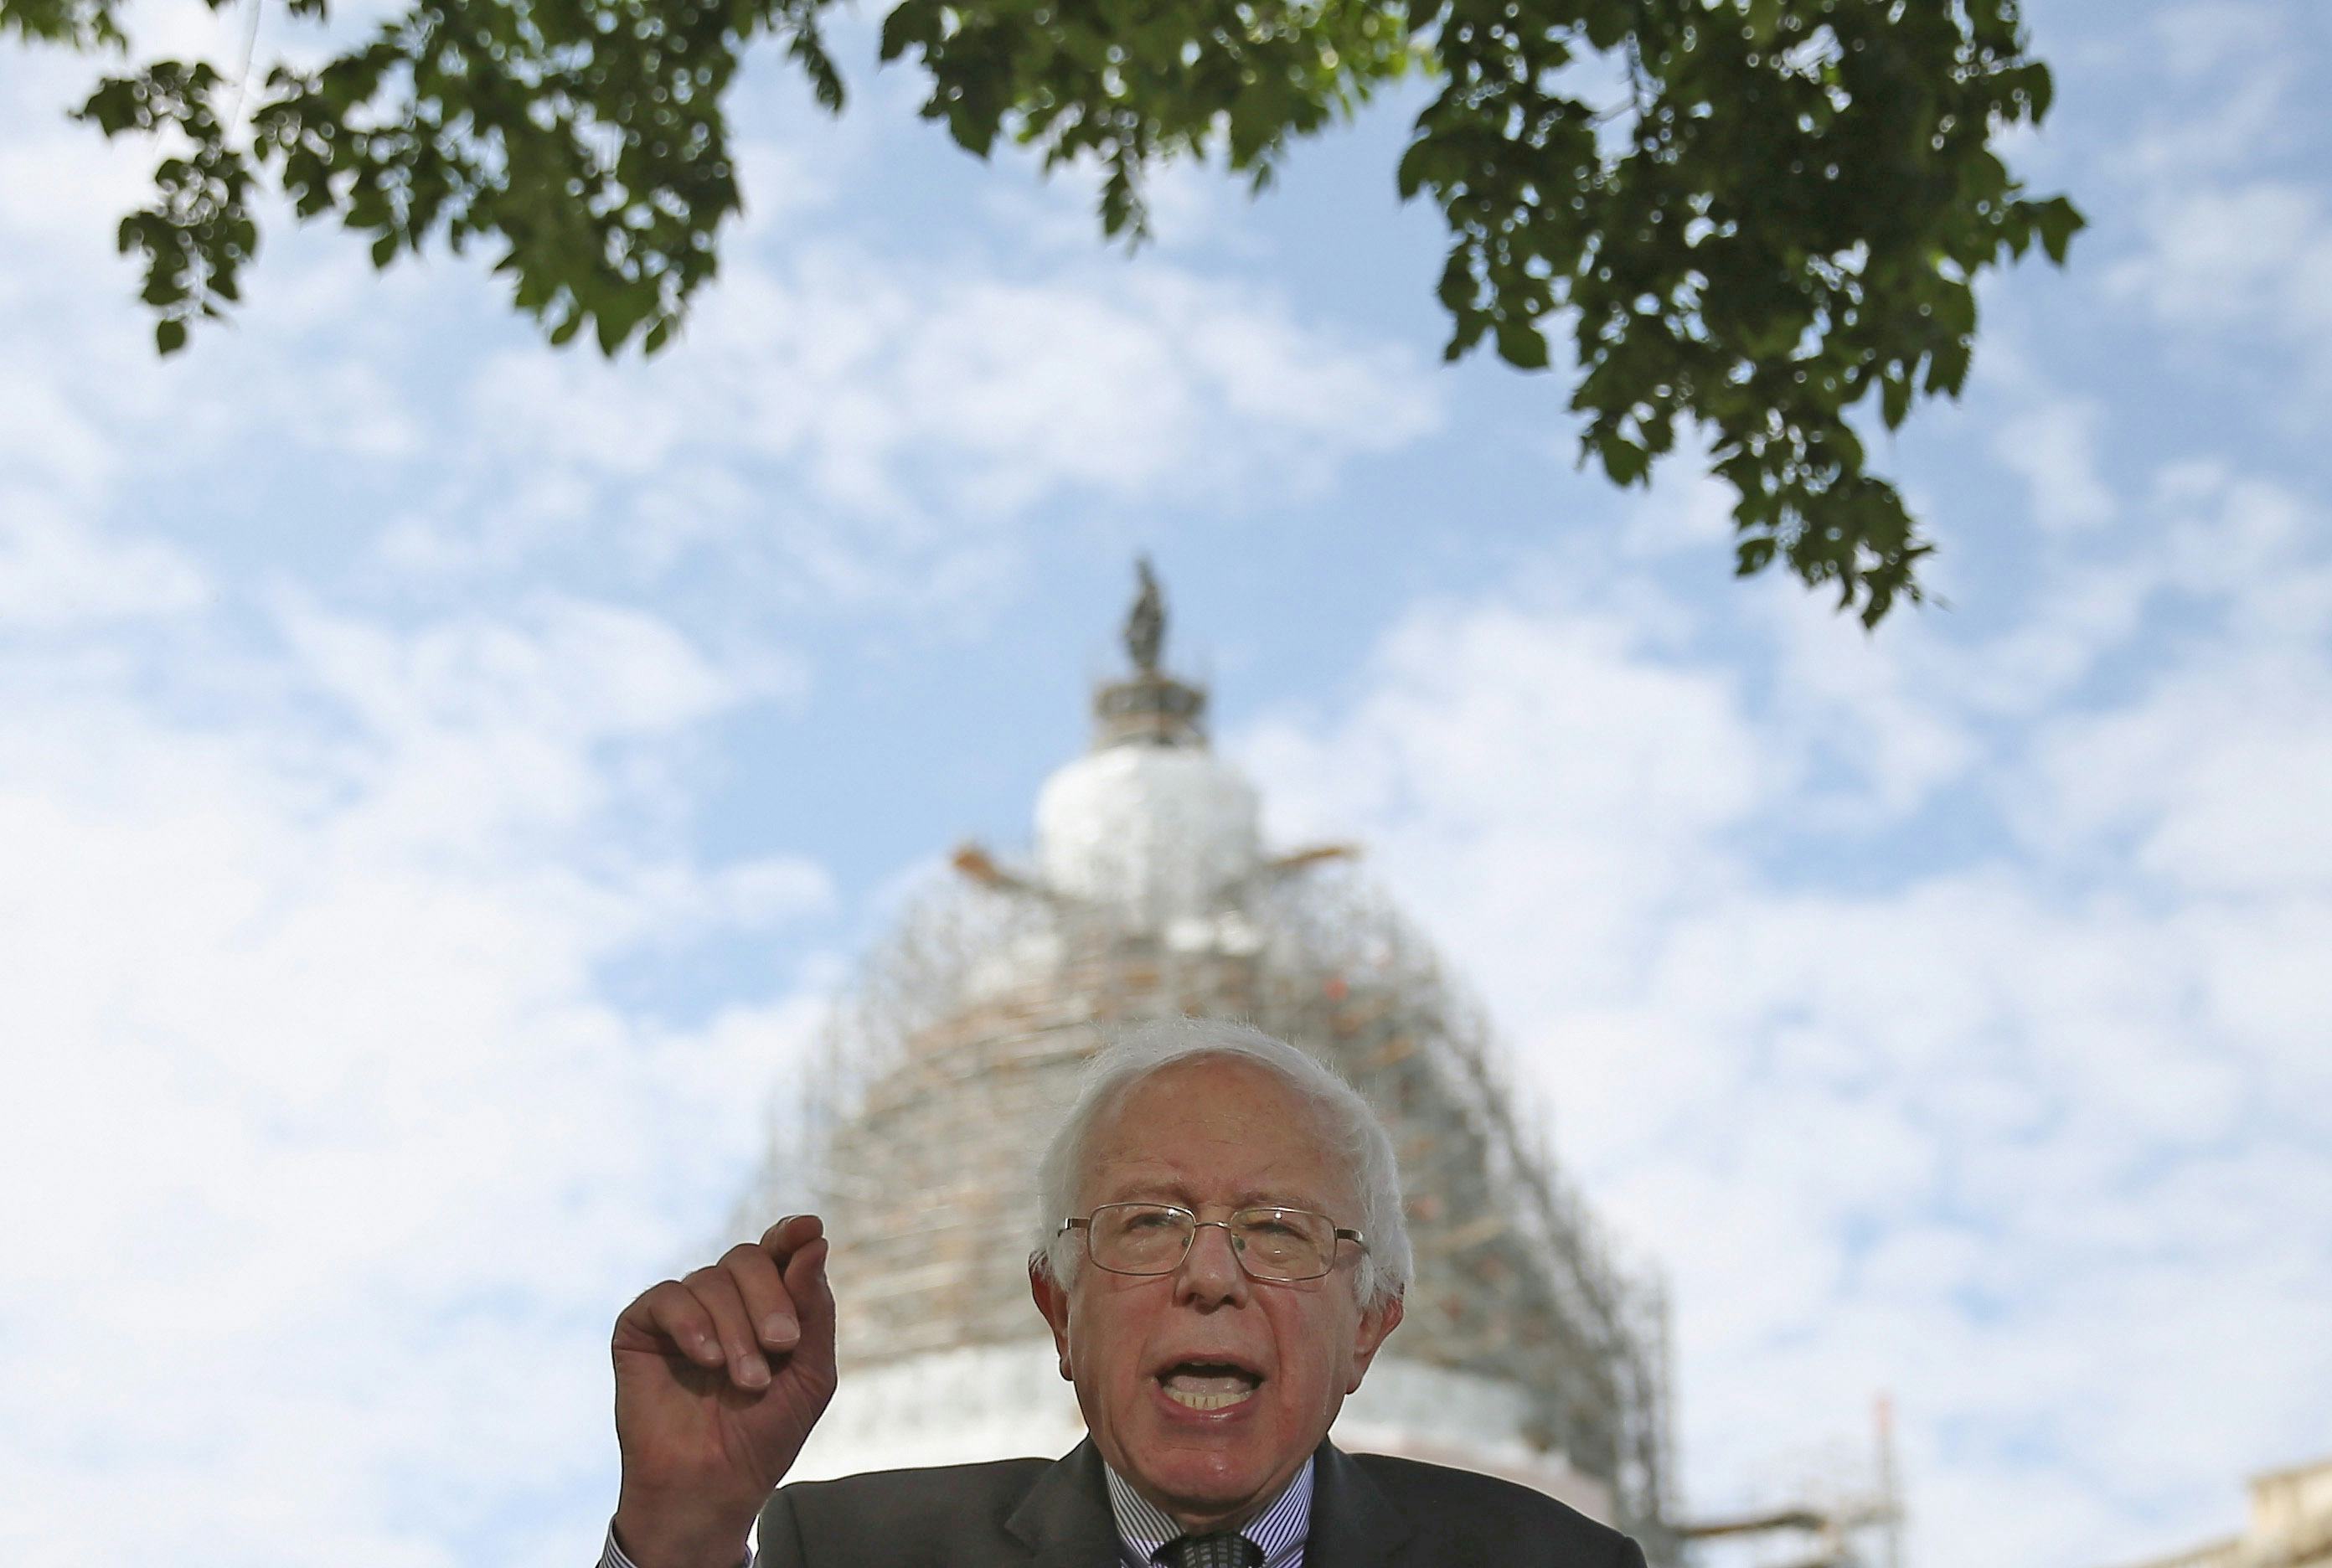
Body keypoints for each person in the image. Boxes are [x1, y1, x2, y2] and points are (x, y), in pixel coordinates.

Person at [601, 1019, 1648, 1566]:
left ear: (1371, 1325)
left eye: (1277, 1232)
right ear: (1057, 1309)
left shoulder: (1550, 1563)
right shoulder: (850, 1555)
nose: (1208, 1277)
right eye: (1148, 1223)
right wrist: (678, 1542)